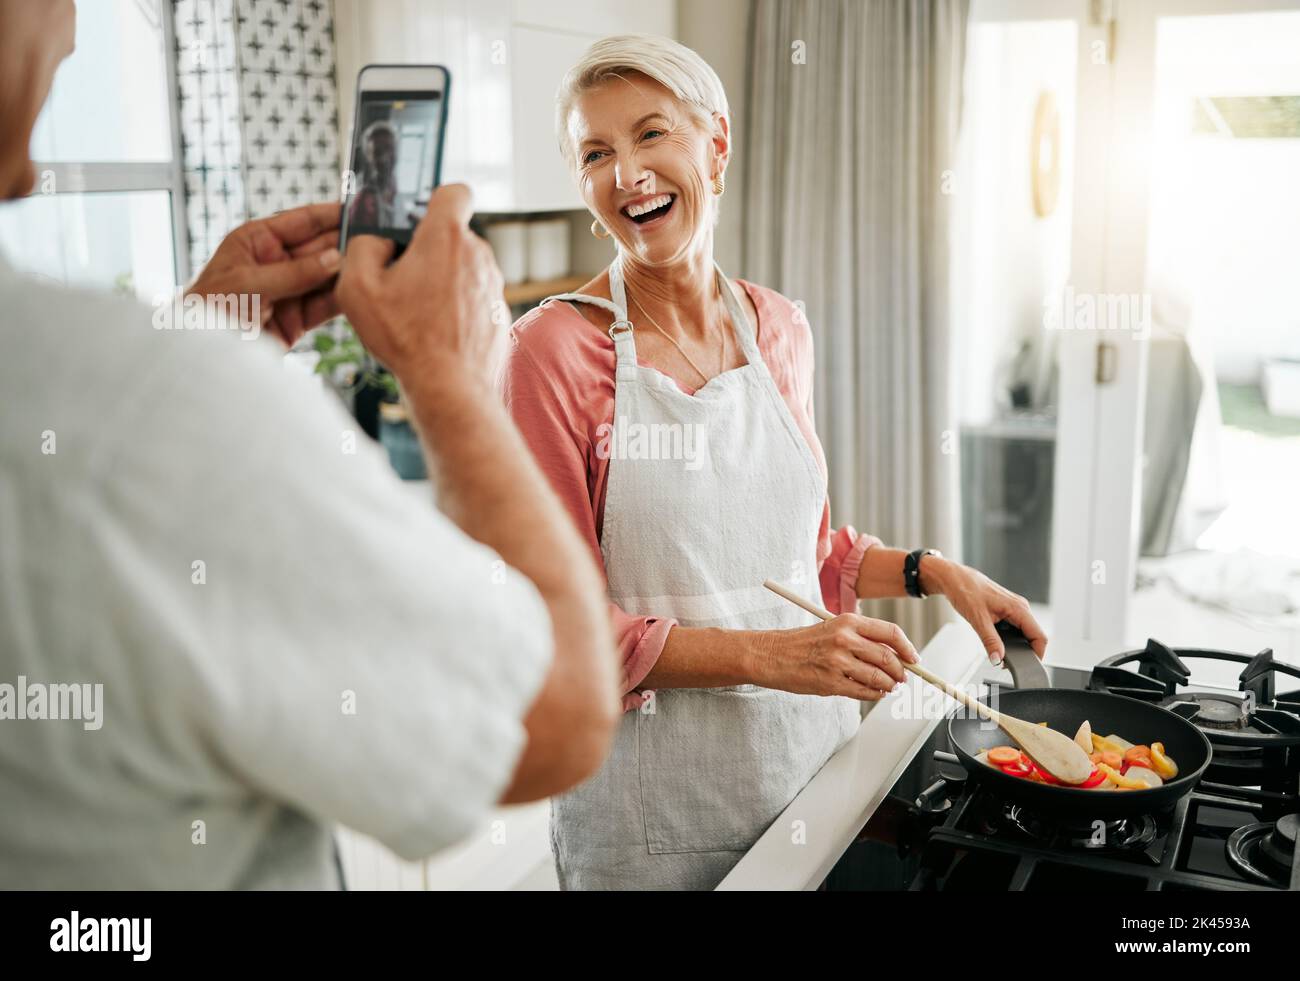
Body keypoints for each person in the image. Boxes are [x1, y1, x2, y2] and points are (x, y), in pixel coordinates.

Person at [0, 0, 617, 889]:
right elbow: (556, 711)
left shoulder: (123, 405)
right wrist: (451, 377)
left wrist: (187, 344)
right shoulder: (158, 411)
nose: (71, 27)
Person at [501, 35, 1049, 890]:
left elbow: (800, 556)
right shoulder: (549, 353)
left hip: (811, 780)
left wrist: (930, 571)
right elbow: (556, 632)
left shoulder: (779, 328)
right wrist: (771, 657)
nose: (627, 173)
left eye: (651, 135)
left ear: (715, 147)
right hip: (650, 823)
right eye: (595, 154)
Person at [347, 120, 399, 229]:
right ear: (368, 157)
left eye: (389, 148)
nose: (385, 158)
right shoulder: (361, 194)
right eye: (378, 152)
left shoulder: (393, 183)